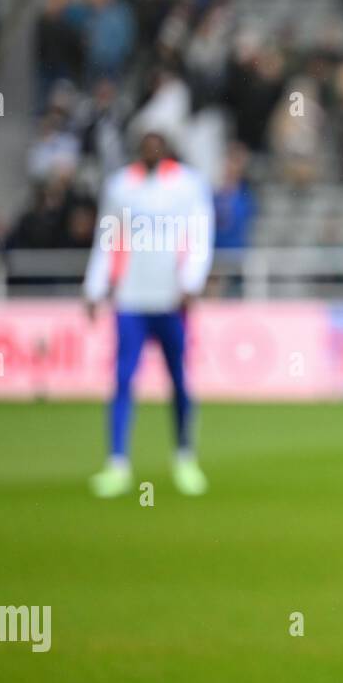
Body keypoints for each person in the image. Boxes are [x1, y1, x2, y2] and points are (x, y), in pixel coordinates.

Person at [82, 126, 214, 497]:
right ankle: (117, 463)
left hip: (172, 300)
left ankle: (185, 458)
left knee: (181, 381)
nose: (152, 149)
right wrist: (95, 287)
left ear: (167, 149)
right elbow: (106, 240)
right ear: (139, 149)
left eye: (158, 144)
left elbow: (201, 235)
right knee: (123, 379)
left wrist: (191, 282)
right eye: (146, 144)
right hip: (131, 299)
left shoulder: (188, 184)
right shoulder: (120, 185)